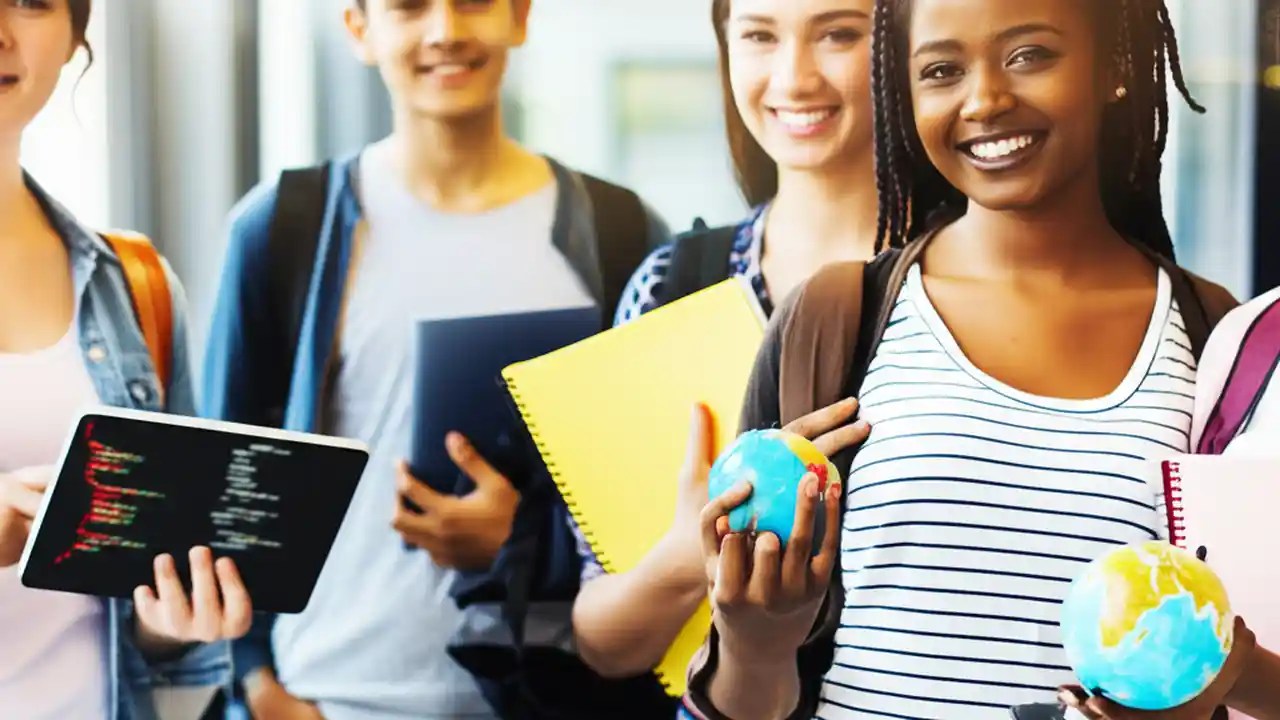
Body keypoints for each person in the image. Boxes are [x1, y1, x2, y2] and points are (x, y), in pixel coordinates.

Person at [683, 0, 1280, 718]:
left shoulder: (1222, 342)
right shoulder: (836, 318)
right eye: (940, 70)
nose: (985, 99)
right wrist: (755, 643)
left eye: (1030, 55)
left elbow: (1250, 663)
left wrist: (1214, 684)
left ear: (1114, 66)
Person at [201, 0, 670, 718]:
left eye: (474, 2)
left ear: (519, 16)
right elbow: (222, 487)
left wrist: (525, 538)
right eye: (409, 6)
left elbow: (656, 494)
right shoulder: (284, 227)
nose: (446, 30)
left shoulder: (621, 234)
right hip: (331, 694)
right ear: (360, 30)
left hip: (553, 694)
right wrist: (258, 685)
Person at [571, 0, 880, 686]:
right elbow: (603, 640)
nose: (794, 78)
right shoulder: (671, 288)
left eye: (837, 33)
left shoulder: (963, 285)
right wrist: (691, 552)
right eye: (760, 36)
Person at [0, 1, 253, 718]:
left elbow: (149, 636)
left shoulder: (136, 286)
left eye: (31, 0)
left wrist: (171, 620)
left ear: (76, 35)